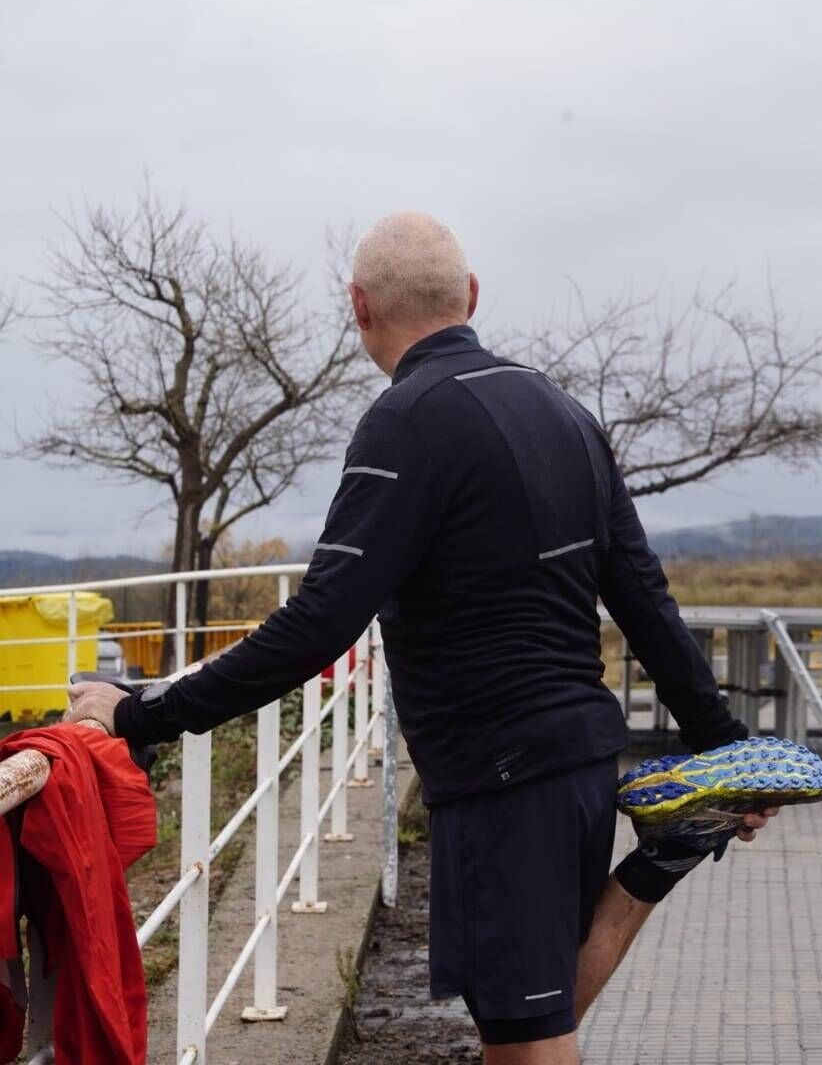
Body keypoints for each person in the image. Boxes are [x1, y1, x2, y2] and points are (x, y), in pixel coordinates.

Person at [65, 211, 785, 1065]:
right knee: (522, 1021)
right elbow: (645, 601)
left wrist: (142, 713)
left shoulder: (405, 423)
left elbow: (319, 623)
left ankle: (664, 857)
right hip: (582, 758)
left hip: (502, 777)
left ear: (358, 306)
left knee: (528, 1042)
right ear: (471, 296)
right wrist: (720, 743)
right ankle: (662, 858)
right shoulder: (566, 412)